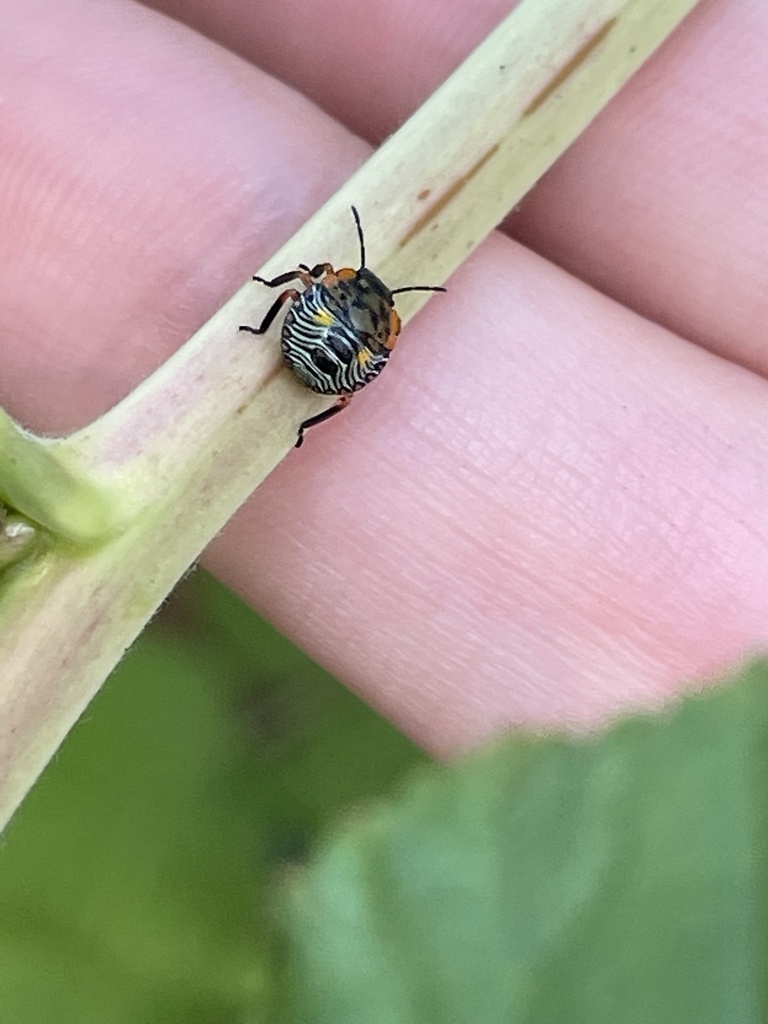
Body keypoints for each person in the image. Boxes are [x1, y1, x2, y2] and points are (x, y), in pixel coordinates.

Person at [2, 0, 765, 754]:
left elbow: (323, 310)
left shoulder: (335, 291)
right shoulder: (374, 315)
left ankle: (281, 358)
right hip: (323, 363)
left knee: (305, 315)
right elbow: (368, 362)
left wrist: (273, 322)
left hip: (312, 346)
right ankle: (297, 390)